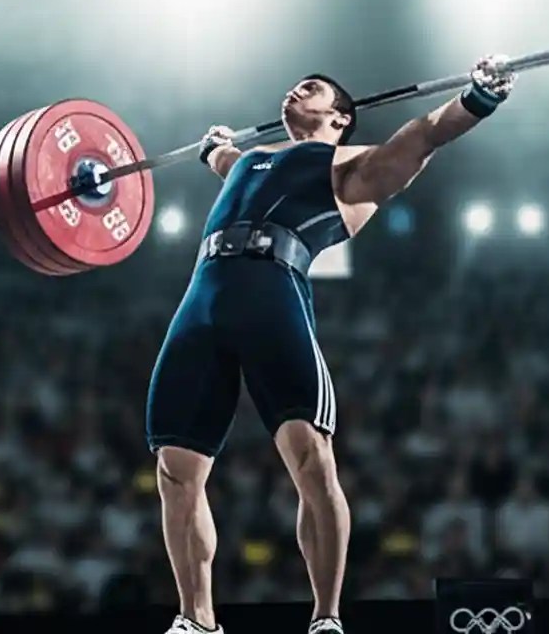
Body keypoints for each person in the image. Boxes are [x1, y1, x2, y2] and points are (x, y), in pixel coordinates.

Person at [146, 55, 518, 634]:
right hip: (202, 298)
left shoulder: (350, 167)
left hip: (273, 294)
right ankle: (197, 619)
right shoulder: (251, 159)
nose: (296, 89)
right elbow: (230, 164)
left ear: (340, 117)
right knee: (174, 469)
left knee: (310, 459)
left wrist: (480, 97)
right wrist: (214, 148)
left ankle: (325, 618)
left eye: (312, 87)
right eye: (296, 84)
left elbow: (424, 135)